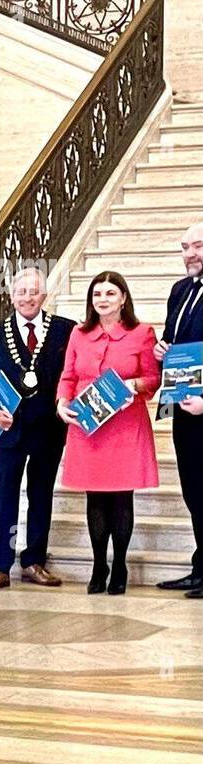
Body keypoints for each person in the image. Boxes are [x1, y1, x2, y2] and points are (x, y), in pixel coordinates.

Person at [0, 267, 75, 590]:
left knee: (41, 495)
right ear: (12, 296)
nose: (27, 298)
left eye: (33, 292)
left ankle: (34, 561)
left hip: (48, 430)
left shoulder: (65, 331)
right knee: (4, 496)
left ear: (45, 295)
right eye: (21, 292)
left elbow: (74, 373)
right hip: (6, 432)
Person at [56, 271, 162, 595]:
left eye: (110, 293)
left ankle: (120, 565)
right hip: (88, 425)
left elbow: (153, 378)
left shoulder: (142, 333)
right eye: (97, 294)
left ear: (123, 298)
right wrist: (62, 402)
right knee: (95, 498)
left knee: (121, 497)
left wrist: (133, 384)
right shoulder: (79, 333)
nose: (102, 299)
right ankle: (99, 563)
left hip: (125, 425)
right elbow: (68, 375)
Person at [153, 222, 203, 597]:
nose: (190, 254)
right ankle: (200, 568)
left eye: (198, 246)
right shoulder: (180, 290)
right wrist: (161, 352)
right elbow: (176, 342)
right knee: (194, 491)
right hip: (182, 405)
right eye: (185, 247)